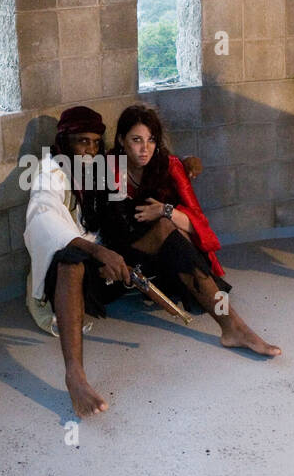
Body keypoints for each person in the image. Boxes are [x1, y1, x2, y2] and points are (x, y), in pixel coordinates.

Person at [101, 104, 281, 357]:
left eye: (151, 140)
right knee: (166, 228)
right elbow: (103, 224)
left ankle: (231, 325)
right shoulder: (108, 168)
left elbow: (198, 224)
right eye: (136, 140)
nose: (145, 149)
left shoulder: (168, 165)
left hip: (163, 254)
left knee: (170, 227)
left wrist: (164, 210)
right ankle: (232, 326)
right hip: (122, 255)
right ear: (121, 140)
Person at [23, 106, 132, 417]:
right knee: (71, 261)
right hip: (68, 273)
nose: (90, 150)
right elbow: (42, 214)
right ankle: (75, 376)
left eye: (96, 143)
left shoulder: (97, 168)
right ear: (65, 141)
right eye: (83, 142)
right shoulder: (49, 169)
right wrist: (97, 251)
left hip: (98, 268)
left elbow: (113, 213)